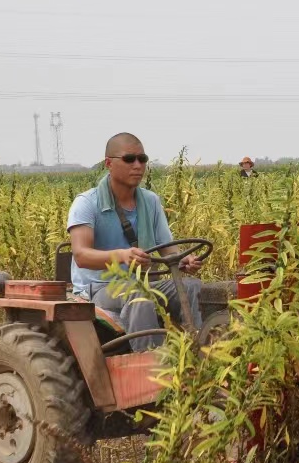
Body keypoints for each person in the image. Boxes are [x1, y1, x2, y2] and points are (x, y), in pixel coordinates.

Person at [67, 132, 202, 352]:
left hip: (140, 281)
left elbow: (168, 248)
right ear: (109, 163)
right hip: (99, 288)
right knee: (141, 294)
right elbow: (81, 256)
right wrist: (121, 255)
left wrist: (184, 258)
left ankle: (196, 353)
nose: (138, 165)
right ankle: (150, 367)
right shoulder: (87, 203)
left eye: (143, 159)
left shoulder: (150, 201)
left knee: (190, 287)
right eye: (130, 159)